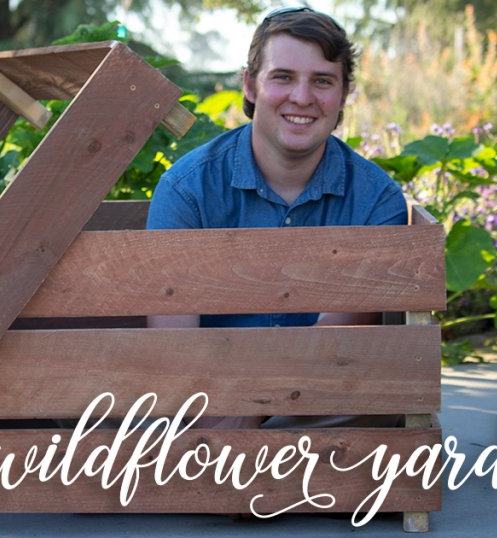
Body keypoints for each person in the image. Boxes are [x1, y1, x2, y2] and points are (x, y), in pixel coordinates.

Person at [146, 6, 408, 429]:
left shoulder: (376, 202)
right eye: (283, 77)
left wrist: (248, 418)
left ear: (343, 95)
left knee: (354, 402)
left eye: (322, 81)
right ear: (250, 85)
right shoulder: (187, 189)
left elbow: (332, 347)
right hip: (201, 408)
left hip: (315, 413)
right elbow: (174, 351)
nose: (302, 98)